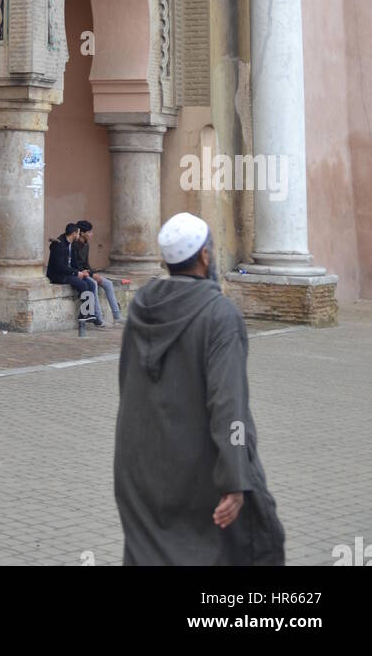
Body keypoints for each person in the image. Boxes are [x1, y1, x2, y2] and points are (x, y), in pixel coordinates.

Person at [114, 212, 285, 566]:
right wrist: (236, 478)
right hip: (202, 474)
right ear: (205, 256)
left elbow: (127, 385)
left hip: (140, 470)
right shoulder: (220, 314)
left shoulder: (141, 308)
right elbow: (230, 406)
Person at [46, 223, 105, 327]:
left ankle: (87, 314)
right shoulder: (59, 245)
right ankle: (85, 314)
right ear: (74, 234)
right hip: (58, 275)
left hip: (69, 273)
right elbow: (59, 267)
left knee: (90, 284)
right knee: (82, 284)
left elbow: (74, 264)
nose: (79, 236)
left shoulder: (71, 245)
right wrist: (76, 273)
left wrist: (82, 272)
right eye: (78, 234)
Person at [74, 220, 123, 326]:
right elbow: (76, 265)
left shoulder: (86, 245)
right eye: (89, 232)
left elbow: (86, 263)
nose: (91, 234)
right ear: (82, 233)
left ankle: (117, 316)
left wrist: (93, 273)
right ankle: (98, 319)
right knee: (93, 284)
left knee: (108, 283)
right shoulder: (74, 246)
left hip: (87, 272)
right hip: (79, 274)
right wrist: (91, 275)